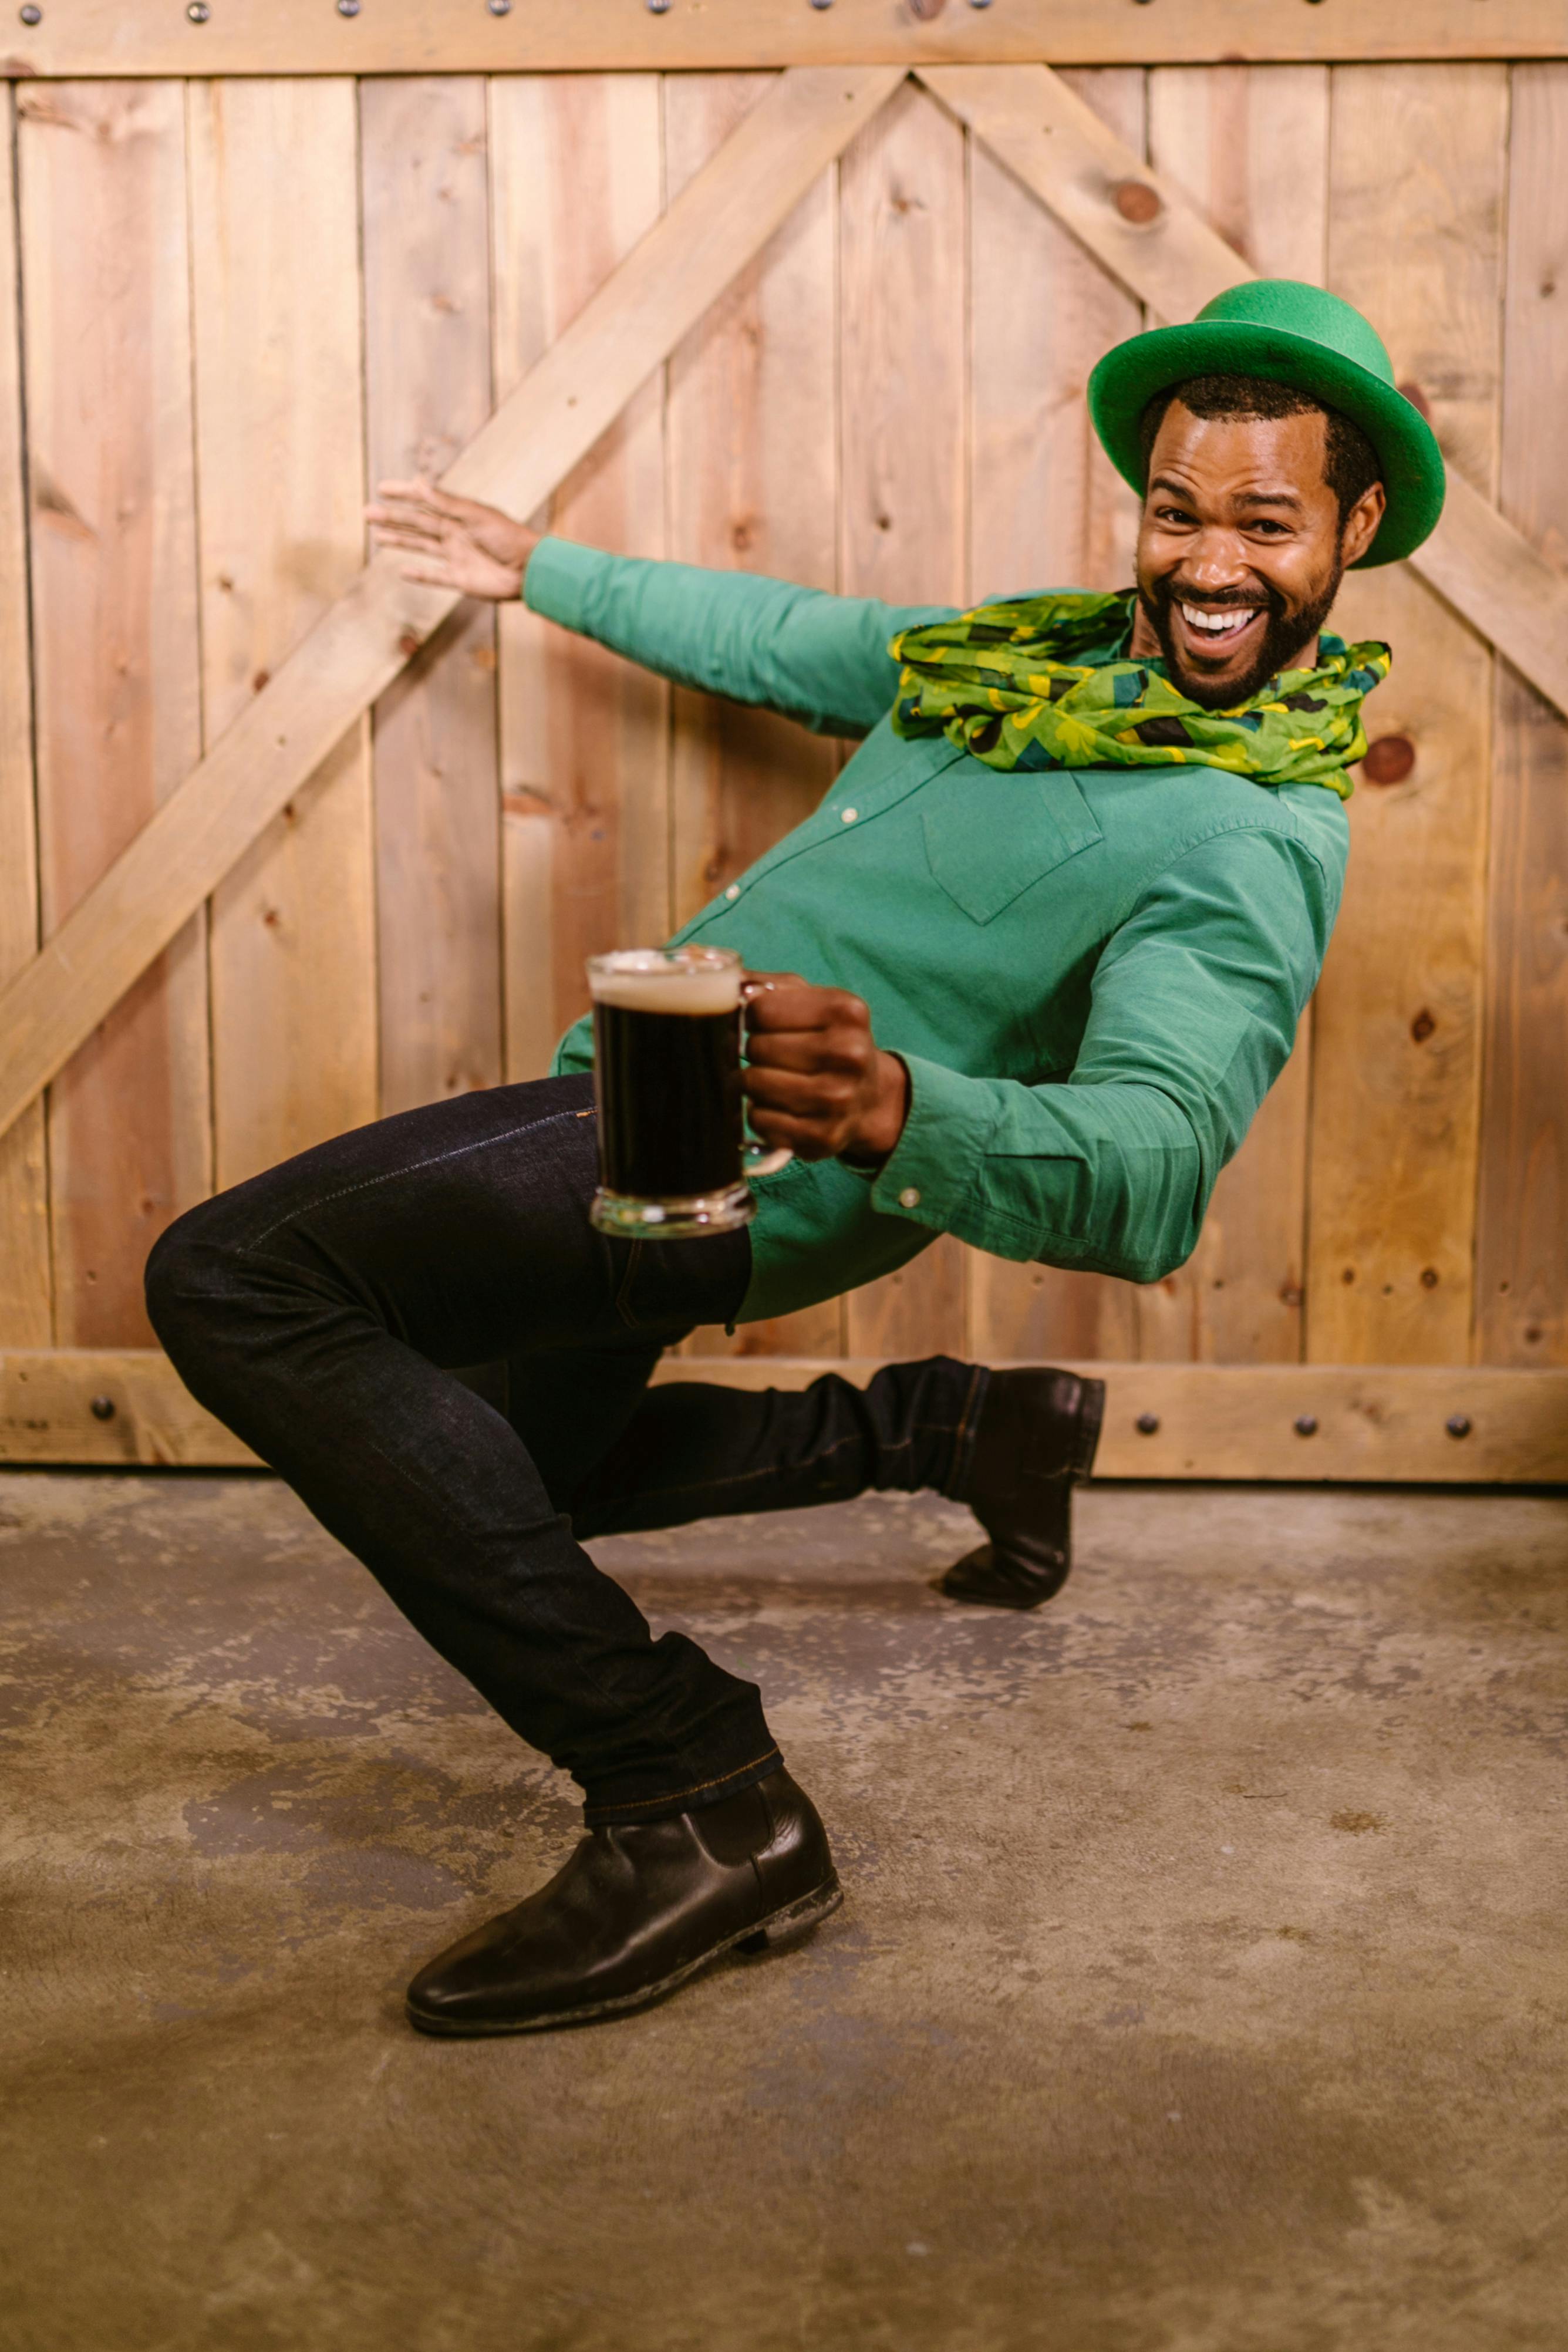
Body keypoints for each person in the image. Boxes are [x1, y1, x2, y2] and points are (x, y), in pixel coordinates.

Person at [146, 280, 1445, 2038]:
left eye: (1267, 522)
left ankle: (694, 1790)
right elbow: (793, 637)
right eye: (1178, 508)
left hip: (737, 1167)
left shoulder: (1250, 832)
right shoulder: (1022, 657)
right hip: (642, 1084)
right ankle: (951, 1431)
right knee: (500, 1478)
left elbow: (1154, 1166)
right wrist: (542, 568)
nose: (1212, 562)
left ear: (1356, 529)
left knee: (233, 1277)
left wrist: (911, 1105)